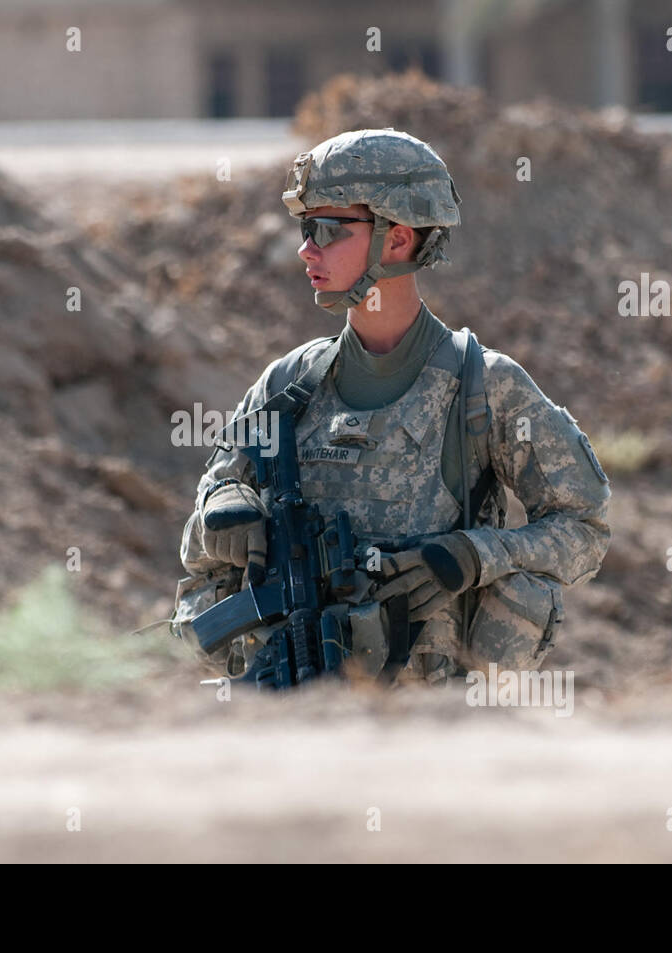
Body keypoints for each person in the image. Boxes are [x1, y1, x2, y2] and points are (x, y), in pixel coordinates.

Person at [173, 128, 611, 686]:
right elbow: (200, 542)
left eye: (328, 229)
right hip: (293, 700)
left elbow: (585, 527)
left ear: (398, 240)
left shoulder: (483, 386)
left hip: (435, 715)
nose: (306, 248)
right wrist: (228, 510)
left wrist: (479, 555)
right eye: (306, 228)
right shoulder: (287, 386)